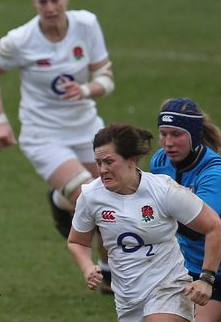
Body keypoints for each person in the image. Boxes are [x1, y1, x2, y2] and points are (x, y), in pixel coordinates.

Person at [0, 0, 115, 286]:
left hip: (87, 130)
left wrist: (85, 91)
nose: (50, 7)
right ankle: (62, 203)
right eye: (43, 2)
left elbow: (106, 78)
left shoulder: (87, 24)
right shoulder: (20, 40)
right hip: (43, 137)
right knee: (88, 194)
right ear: (34, 3)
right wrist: (1, 122)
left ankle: (109, 272)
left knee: (113, 195)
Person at [68, 123, 221, 322]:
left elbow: (214, 226)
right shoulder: (91, 196)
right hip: (127, 298)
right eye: (98, 163)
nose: (102, 170)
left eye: (109, 162)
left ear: (131, 159)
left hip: (168, 288)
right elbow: (77, 241)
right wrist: (87, 267)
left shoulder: (163, 190)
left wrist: (206, 279)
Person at [150, 98, 221, 322]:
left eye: (176, 134)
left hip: (215, 269)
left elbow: (198, 229)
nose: (168, 142)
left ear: (194, 135)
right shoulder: (160, 161)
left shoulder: (213, 171)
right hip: (184, 267)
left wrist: (151, 217)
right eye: (163, 133)